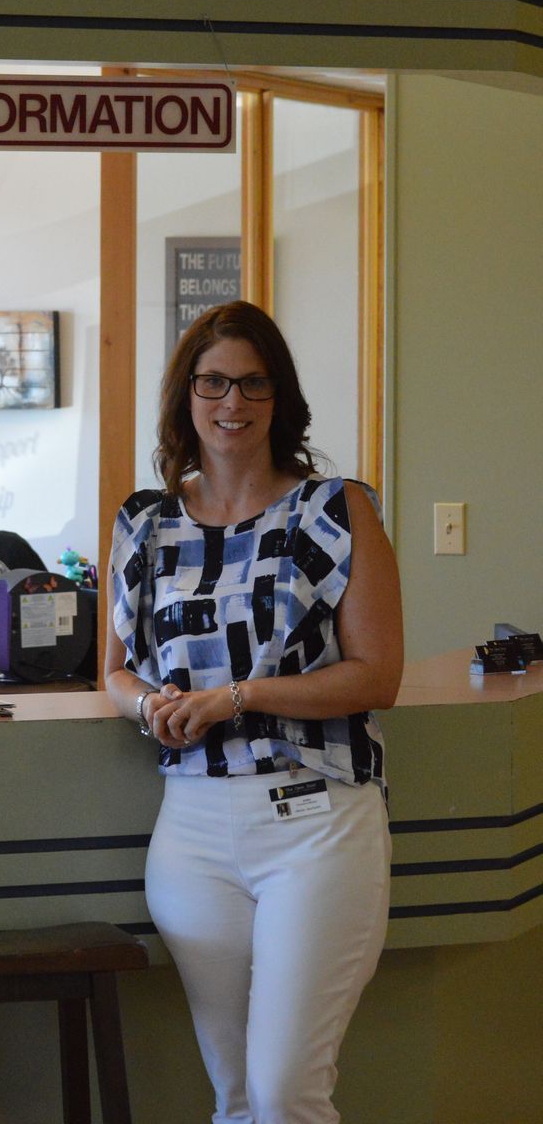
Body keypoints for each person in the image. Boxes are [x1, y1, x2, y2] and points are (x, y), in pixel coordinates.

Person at [105, 301, 403, 1124]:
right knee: (236, 1096)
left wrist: (240, 696)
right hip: (193, 829)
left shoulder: (335, 511)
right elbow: (116, 671)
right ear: (185, 397)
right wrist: (151, 707)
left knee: (285, 1093)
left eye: (252, 383)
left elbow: (379, 676)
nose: (231, 403)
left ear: (280, 398)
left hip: (316, 823)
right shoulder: (146, 522)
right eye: (212, 383)